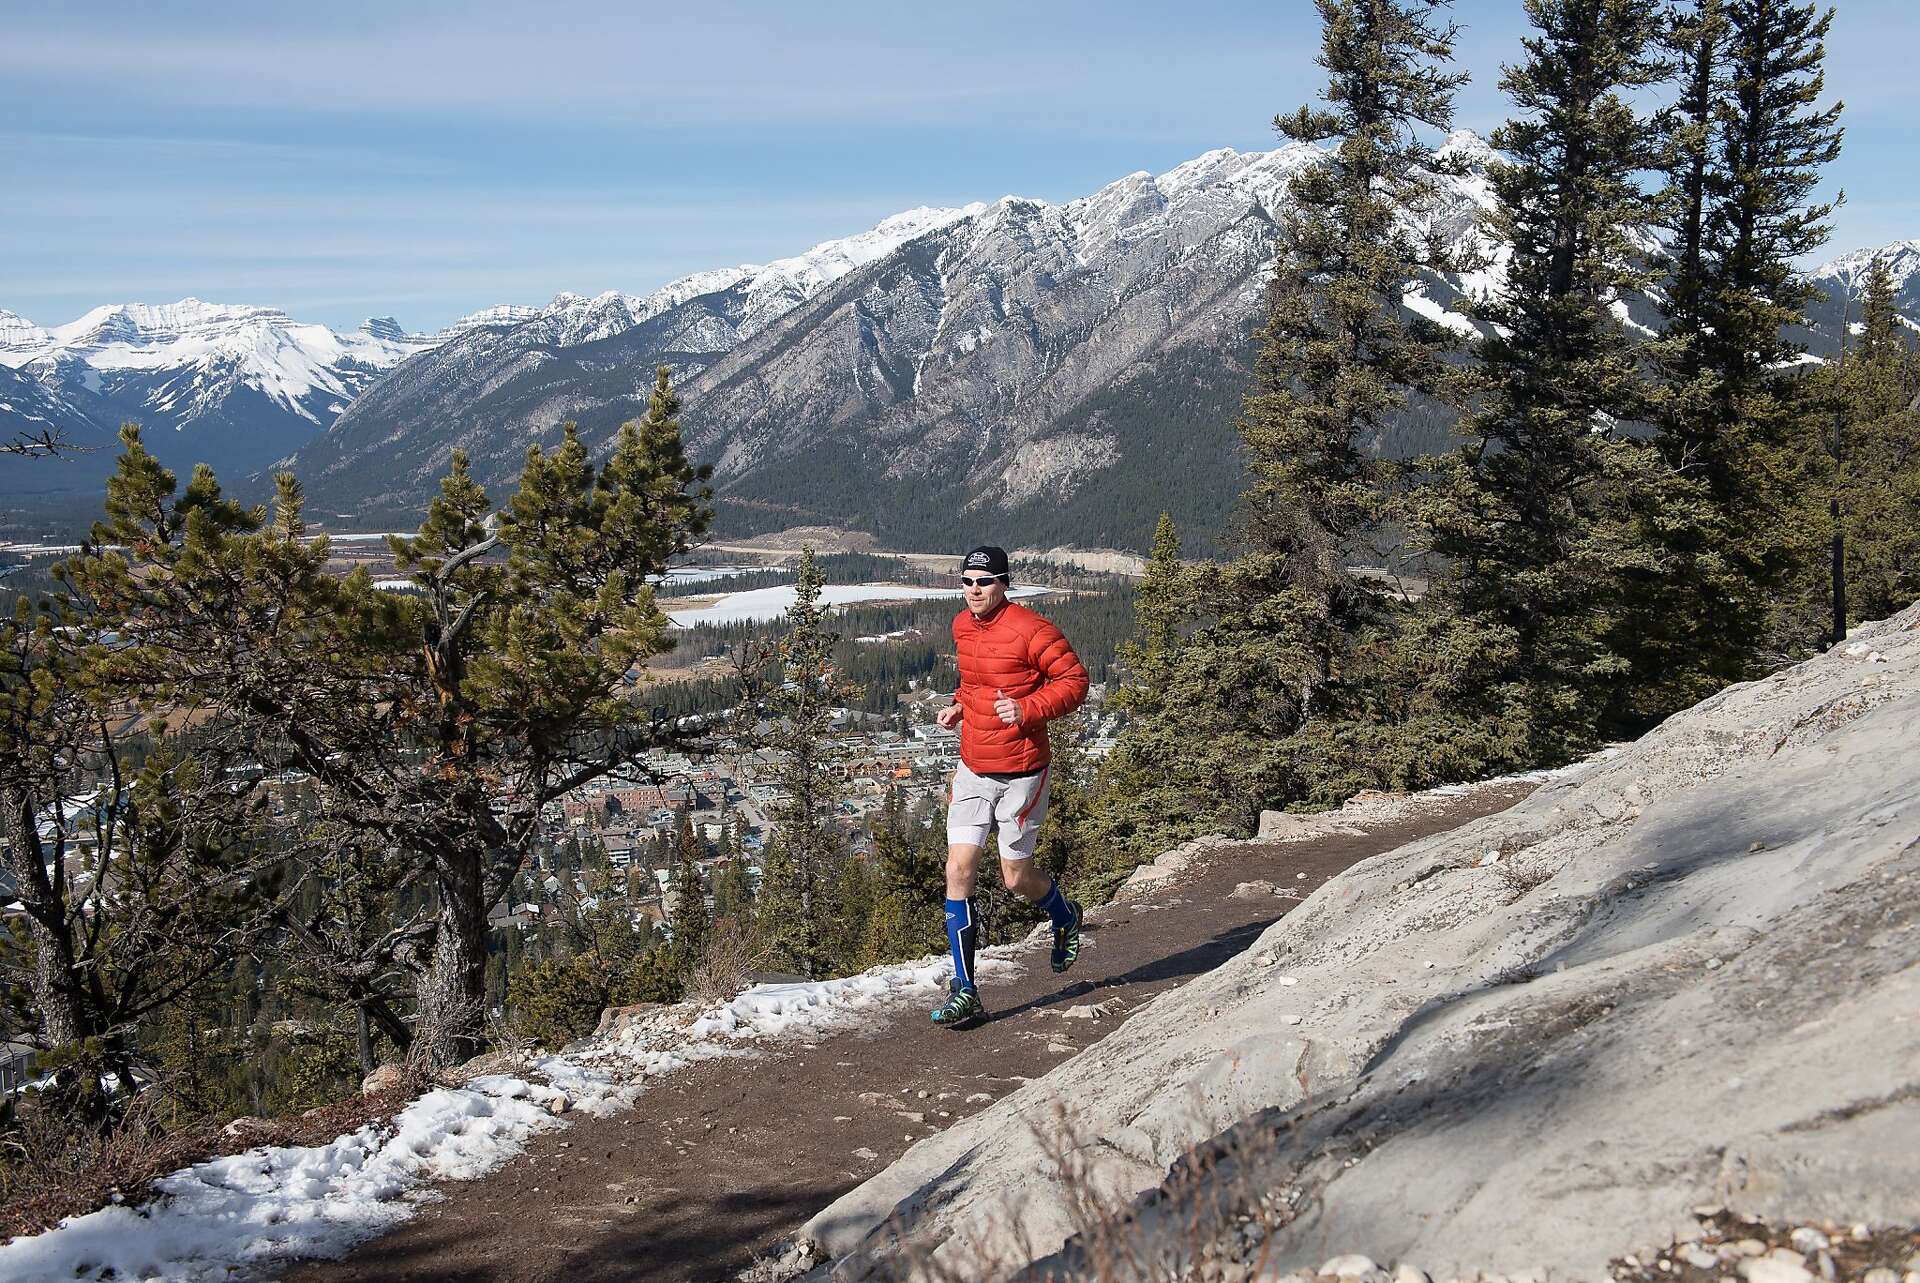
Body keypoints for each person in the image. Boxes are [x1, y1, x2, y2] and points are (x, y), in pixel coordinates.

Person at [931, 545, 1089, 1028]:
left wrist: (1027, 710)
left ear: (1004, 583)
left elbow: (1075, 681)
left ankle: (1064, 915)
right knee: (958, 870)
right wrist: (960, 706)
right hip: (974, 766)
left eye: (984, 581)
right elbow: (975, 682)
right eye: (967, 581)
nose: (974, 590)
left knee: (1016, 878)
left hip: (1022, 773)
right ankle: (967, 990)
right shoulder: (961, 626)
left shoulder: (1032, 630)